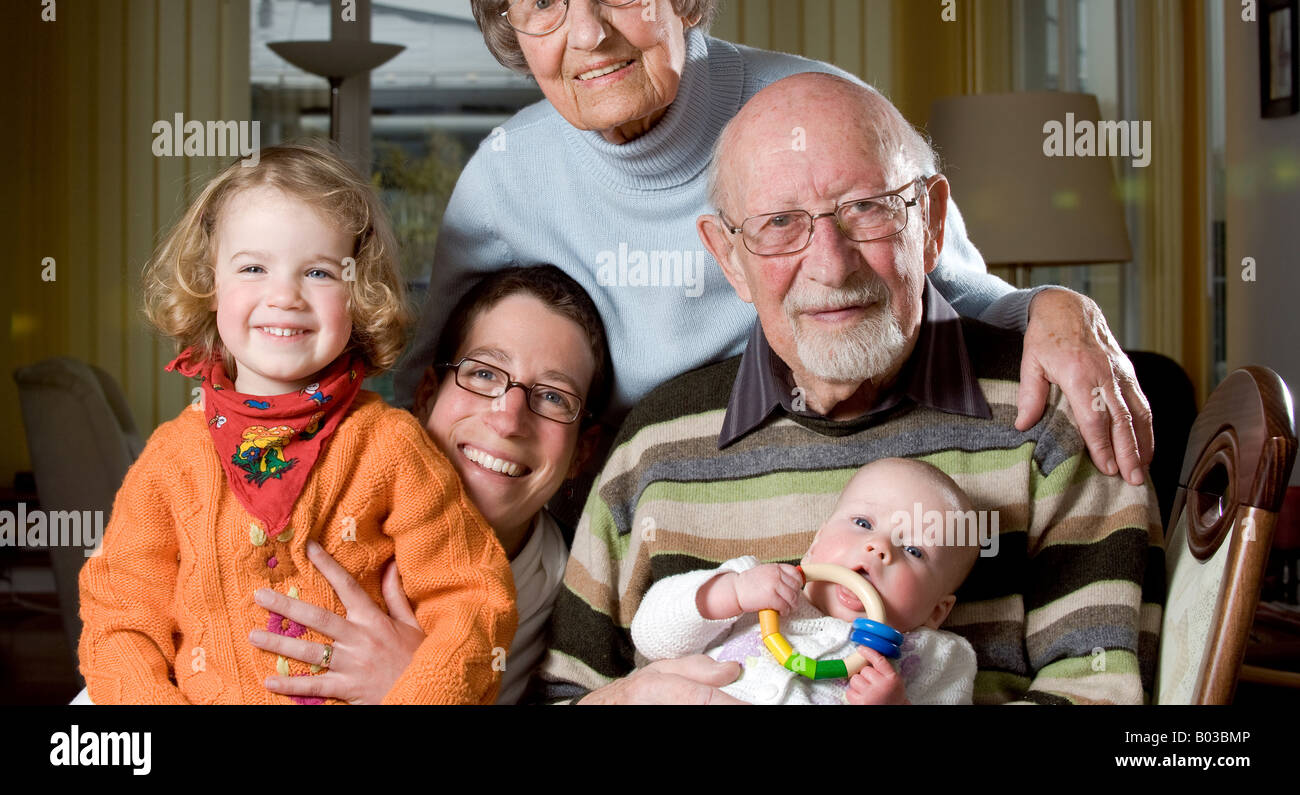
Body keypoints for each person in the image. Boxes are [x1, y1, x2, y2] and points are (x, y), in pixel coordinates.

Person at [393, 0, 1153, 492]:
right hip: (609, 528)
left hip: (803, 497)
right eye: (543, 0)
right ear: (512, 32)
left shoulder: (820, 108)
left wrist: (1059, 307)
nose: (588, 32)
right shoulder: (504, 177)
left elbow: (948, 288)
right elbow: (428, 395)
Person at [537, 73, 1164, 705]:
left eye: (867, 208)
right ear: (730, 259)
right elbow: (563, 694)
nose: (832, 265)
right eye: (780, 223)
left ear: (932, 222)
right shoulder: (656, 447)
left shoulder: (1059, 412)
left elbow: (1104, 701)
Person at [77, 144, 516, 704]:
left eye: (318, 271)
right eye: (253, 267)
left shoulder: (393, 447)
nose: (284, 296)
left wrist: (420, 695)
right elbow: (121, 618)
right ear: (211, 285)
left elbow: (473, 596)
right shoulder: (170, 460)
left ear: (359, 294)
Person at [252, 265, 609, 705]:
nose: (508, 418)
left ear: (581, 453)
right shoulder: (316, 504)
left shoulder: (578, 595)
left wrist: (416, 683)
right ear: (425, 395)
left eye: (553, 397)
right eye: (483, 373)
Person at [631, 458, 980, 705]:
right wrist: (729, 593)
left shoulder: (939, 657)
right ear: (814, 546)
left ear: (937, 611)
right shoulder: (756, 587)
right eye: (862, 523)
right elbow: (650, 636)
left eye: (914, 550)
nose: (879, 548)